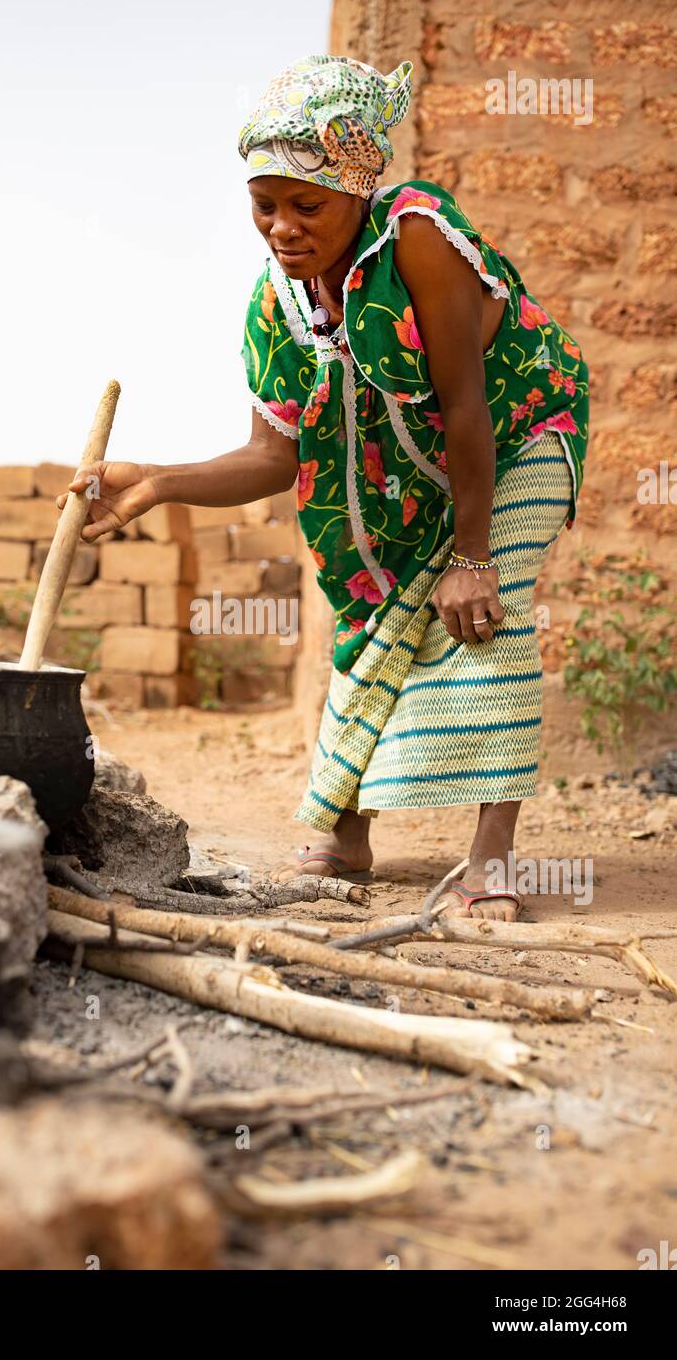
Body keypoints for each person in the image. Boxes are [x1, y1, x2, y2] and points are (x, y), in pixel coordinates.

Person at [57, 54, 589, 922]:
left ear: (356, 192)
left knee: (485, 607)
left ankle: (491, 859)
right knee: (376, 609)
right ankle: (346, 832)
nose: (282, 227)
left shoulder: (416, 236)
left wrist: (473, 554)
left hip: (518, 427)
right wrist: (155, 480)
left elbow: (464, 408)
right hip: (403, 459)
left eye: (308, 206)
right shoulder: (277, 303)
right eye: (265, 206)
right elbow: (273, 456)